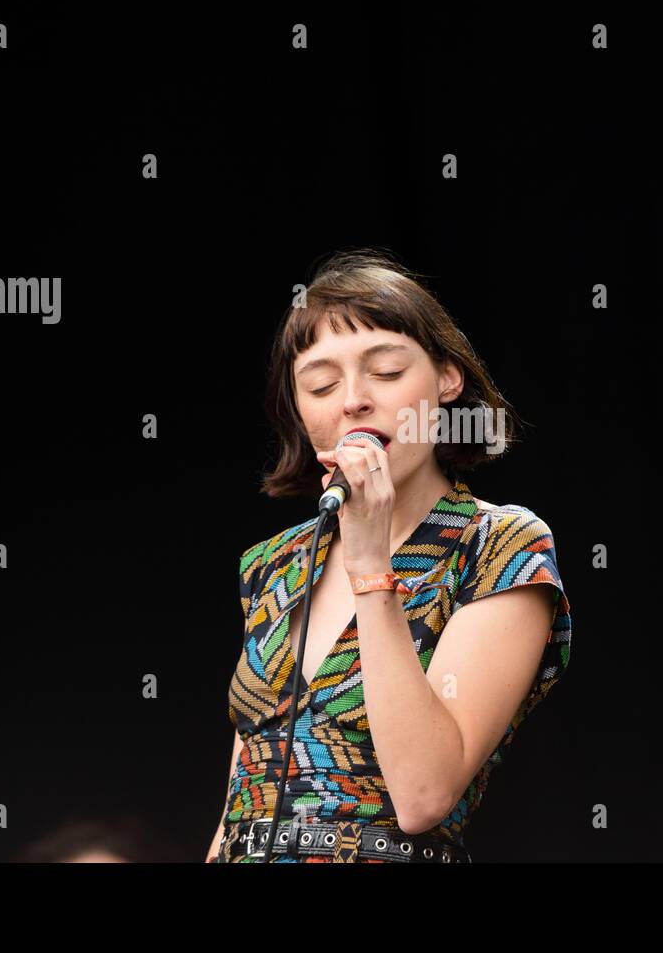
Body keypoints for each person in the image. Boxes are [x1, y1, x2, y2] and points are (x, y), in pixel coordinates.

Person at [206, 250, 573, 863]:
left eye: (384, 371)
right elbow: (240, 801)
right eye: (321, 384)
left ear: (448, 380)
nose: (352, 401)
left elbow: (423, 793)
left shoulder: (499, 545)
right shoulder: (275, 563)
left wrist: (371, 565)